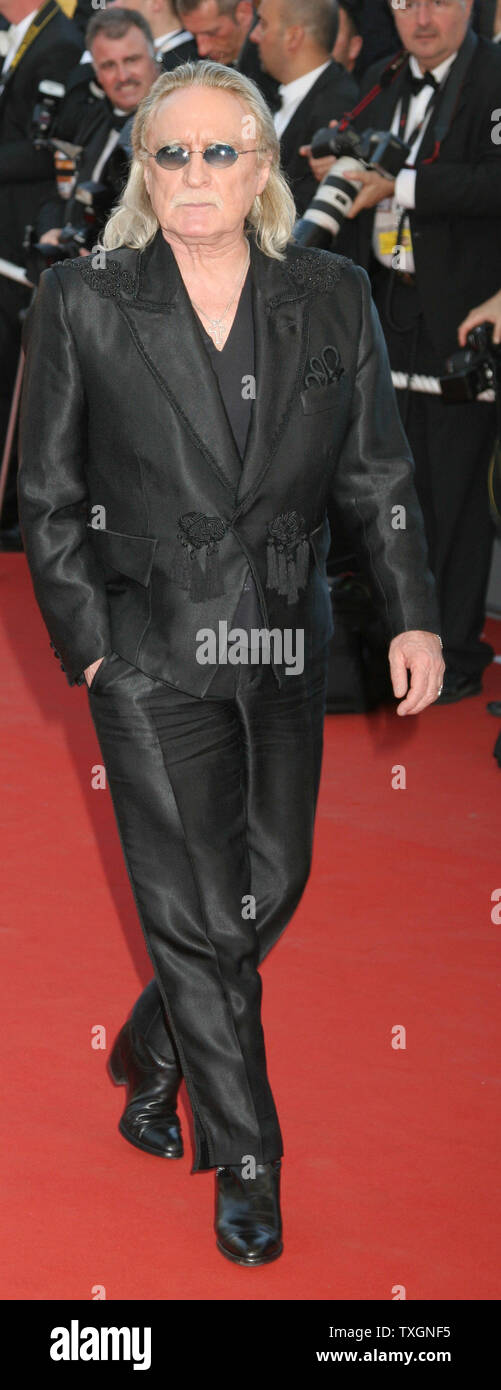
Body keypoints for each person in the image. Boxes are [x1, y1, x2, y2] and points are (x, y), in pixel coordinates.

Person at [17, 58, 444, 1266]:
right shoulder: (84, 297)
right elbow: (46, 499)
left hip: (279, 634)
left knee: (276, 876)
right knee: (203, 918)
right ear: (144, 173)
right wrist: (93, 651)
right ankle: (249, 1154)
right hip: (148, 645)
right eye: (171, 153)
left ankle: (157, 1048)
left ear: (263, 166)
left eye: (221, 151)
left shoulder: (330, 292)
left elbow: (379, 471)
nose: (195, 173)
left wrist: (412, 612)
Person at [302, 0, 501, 702]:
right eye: (406, 1)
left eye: (438, 0)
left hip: (465, 315)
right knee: (398, 486)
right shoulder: (386, 76)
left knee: (455, 494)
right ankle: (398, 642)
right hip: (392, 305)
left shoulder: (494, 75)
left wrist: (401, 185)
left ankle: (456, 651)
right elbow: (354, 152)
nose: (421, 16)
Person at [0, 0, 83, 548]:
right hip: (10, 245)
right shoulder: (29, 37)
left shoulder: (59, 42)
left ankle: (18, 507)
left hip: (30, 245)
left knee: (25, 385)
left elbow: (47, 151)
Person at [36, 9, 159, 251]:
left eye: (132, 60)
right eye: (109, 65)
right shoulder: (90, 116)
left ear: (154, 58)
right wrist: (51, 230)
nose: (123, 76)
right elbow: (59, 188)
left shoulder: (172, 128)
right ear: (96, 73)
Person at [250, 0, 358, 215]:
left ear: (293, 37)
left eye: (263, 24)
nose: (253, 35)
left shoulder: (340, 108)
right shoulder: (269, 95)